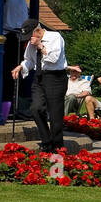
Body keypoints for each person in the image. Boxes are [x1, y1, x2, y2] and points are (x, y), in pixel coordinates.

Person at [12, 18, 68, 152]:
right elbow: (29, 60)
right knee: (36, 108)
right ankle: (47, 139)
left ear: (37, 30)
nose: (29, 40)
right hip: (39, 78)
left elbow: (54, 59)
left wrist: (40, 46)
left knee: (55, 114)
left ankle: (57, 145)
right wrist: (21, 66)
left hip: (55, 78)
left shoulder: (55, 37)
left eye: (30, 36)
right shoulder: (32, 43)